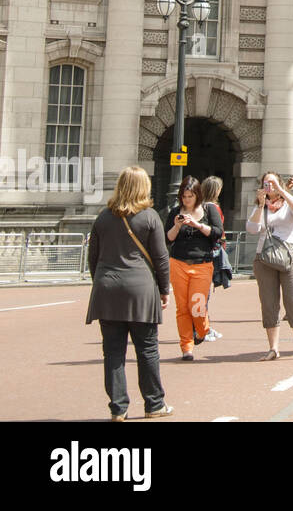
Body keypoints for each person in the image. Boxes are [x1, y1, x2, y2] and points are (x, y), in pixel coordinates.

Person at [87, 166, 174, 420]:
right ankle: (154, 403)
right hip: (140, 290)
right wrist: (164, 289)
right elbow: (160, 258)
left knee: (113, 351)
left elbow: (93, 258)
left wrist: (102, 282)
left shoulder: (103, 217)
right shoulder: (149, 217)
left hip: (108, 288)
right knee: (147, 349)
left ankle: (118, 408)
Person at [246, 170, 293, 361]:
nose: (270, 187)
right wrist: (259, 206)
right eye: (266, 184)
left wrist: (283, 193)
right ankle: (273, 348)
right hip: (265, 257)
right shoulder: (261, 206)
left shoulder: (289, 202)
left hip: (292, 255)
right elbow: (252, 229)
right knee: (269, 302)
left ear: (280, 184)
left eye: (273, 183)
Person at [164, 174, 222, 360]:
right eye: (184, 197)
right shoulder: (175, 212)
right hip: (179, 262)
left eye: (190, 197)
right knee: (182, 307)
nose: (187, 200)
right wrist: (177, 226)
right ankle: (186, 347)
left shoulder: (209, 209)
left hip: (202, 264)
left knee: (196, 305)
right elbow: (168, 238)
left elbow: (217, 233)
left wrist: (197, 225)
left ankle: (202, 329)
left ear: (197, 195)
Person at [197, 175, 227, 344]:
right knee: (204, 293)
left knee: (203, 292)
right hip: (211, 253)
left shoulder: (200, 207)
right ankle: (202, 327)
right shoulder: (213, 207)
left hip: (207, 252)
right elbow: (218, 231)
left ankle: (203, 325)